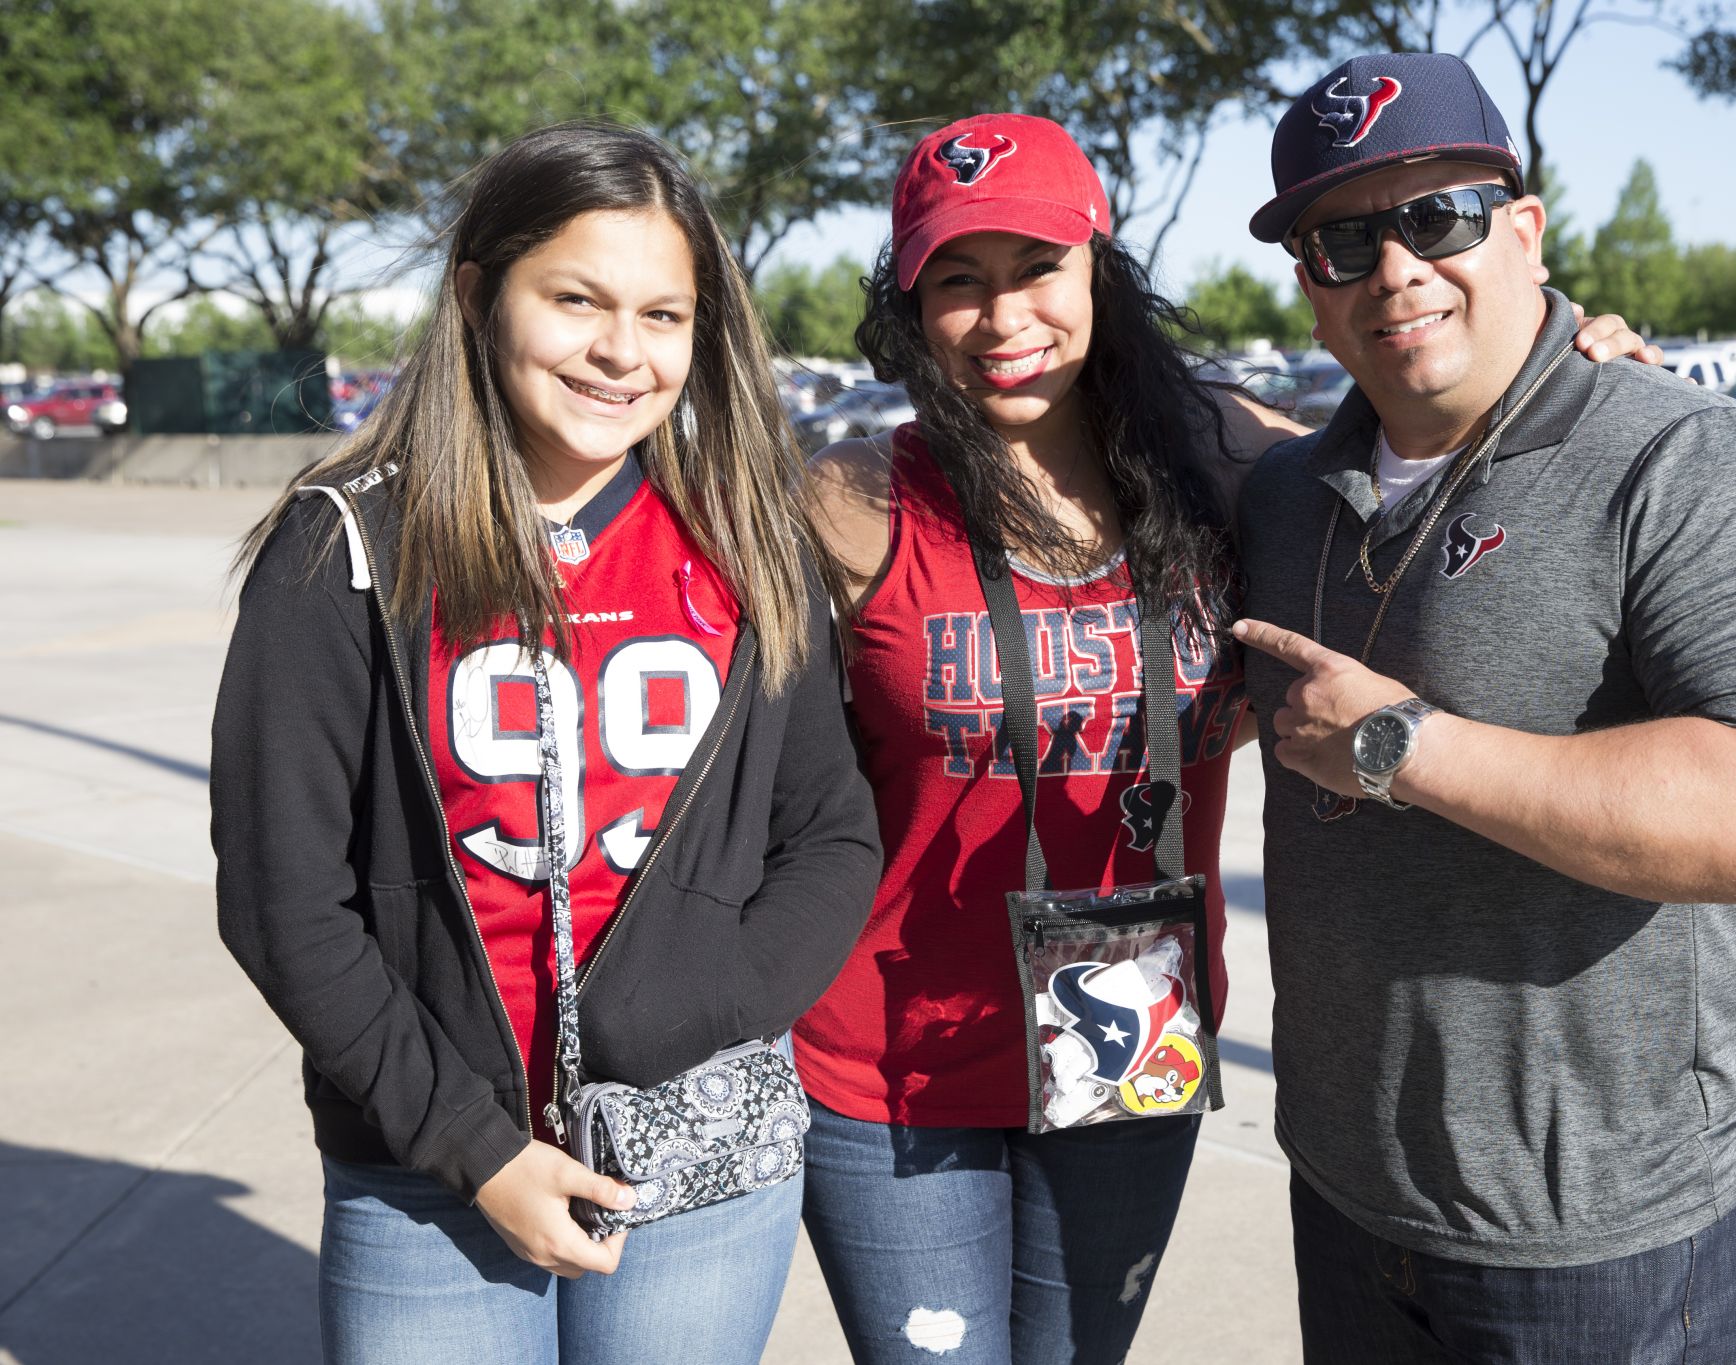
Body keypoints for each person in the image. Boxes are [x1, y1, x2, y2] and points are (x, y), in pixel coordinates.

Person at [794, 112, 1656, 1364]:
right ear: (908, 306)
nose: (1002, 316)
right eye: (954, 283)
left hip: (1131, 1019)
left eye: (1036, 268)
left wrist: (1582, 360)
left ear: (1098, 266)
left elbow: (1448, 438)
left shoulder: (1226, 456)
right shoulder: (848, 499)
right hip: (889, 1055)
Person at [1228, 53, 1736, 1363]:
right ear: (1309, 288)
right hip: (1352, 1196)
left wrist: (1396, 746)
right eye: (1343, 240)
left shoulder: (1692, 461)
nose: (1398, 271)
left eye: (1439, 218)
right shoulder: (1284, 490)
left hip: (1603, 1240)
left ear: (1522, 231)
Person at [211, 120, 880, 1365]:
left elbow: (829, 828)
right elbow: (281, 902)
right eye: (575, 300)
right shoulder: (341, 551)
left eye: (664, 315)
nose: (622, 352)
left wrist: (707, 1006)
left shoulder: (747, 548)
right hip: (426, 1169)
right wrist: (471, 1147)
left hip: (698, 1164)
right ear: (477, 296)